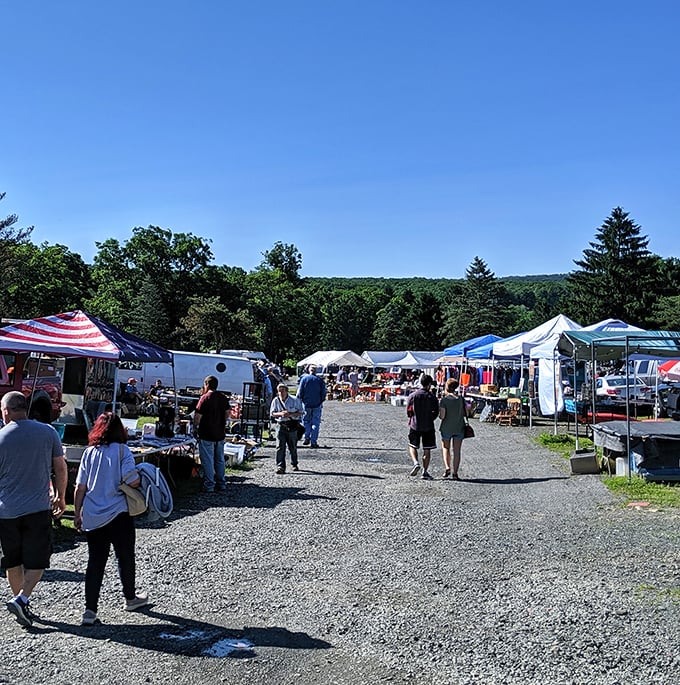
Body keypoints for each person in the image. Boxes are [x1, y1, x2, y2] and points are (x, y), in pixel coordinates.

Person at [73, 412, 148, 626]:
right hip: (118, 513)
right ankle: (130, 598)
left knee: (95, 562)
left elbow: (80, 487)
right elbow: (131, 480)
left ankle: (90, 611)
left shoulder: (89, 453)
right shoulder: (123, 451)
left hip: (94, 515)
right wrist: (143, 477)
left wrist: (77, 513)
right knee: (125, 557)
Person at [0, 391, 67, 628]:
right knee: (37, 560)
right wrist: (61, 496)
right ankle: (22, 599)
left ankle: (21, 602)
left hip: (6, 511)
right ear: (24, 408)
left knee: (13, 561)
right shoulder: (47, 432)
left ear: (6, 411)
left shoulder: (0, 437)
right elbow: (60, 468)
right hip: (37, 507)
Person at [193, 375, 231, 493]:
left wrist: (195, 427)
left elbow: (198, 416)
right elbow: (228, 413)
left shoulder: (205, 398)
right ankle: (221, 483)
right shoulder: (223, 398)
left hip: (206, 433)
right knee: (219, 459)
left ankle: (209, 484)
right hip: (219, 433)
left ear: (207, 384)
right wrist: (222, 422)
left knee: (208, 460)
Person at [406, 374, 439, 480]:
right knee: (427, 449)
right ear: (429, 384)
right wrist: (431, 418)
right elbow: (436, 412)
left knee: (412, 445)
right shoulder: (432, 397)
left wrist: (411, 417)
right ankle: (425, 472)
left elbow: (408, 410)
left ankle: (416, 463)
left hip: (415, 424)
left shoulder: (413, 395)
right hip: (428, 425)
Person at [270, 384, 304, 474]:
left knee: (292, 446)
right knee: (280, 446)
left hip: (292, 425)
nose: (280, 393)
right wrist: (281, 414)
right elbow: (272, 413)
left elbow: (301, 412)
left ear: (286, 391)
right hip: (280, 425)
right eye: (279, 391)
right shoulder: (276, 400)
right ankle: (280, 466)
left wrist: (290, 414)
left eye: (282, 390)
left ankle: (294, 463)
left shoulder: (295, 400)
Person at [438, 378, 467, 480]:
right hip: (459, 427)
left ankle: (447, 467)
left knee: (446, 448)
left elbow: (442, 416)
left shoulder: (444, 400)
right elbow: (466, 413)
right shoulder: (461, 399)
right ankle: (455, 473)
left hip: (446, 427)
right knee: (457, 451)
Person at [297, 365, 327, 448]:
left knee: (306, 421)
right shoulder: (319, 380)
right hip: (317, 404)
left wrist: (300, 400)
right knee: (316, 422)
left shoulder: (304, 379)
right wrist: (321, 400)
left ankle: (306, 437)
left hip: (306, 404)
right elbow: (323, 393)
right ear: (316, 371)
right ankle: (314, 441)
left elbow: (300, 392)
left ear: (308, 370)